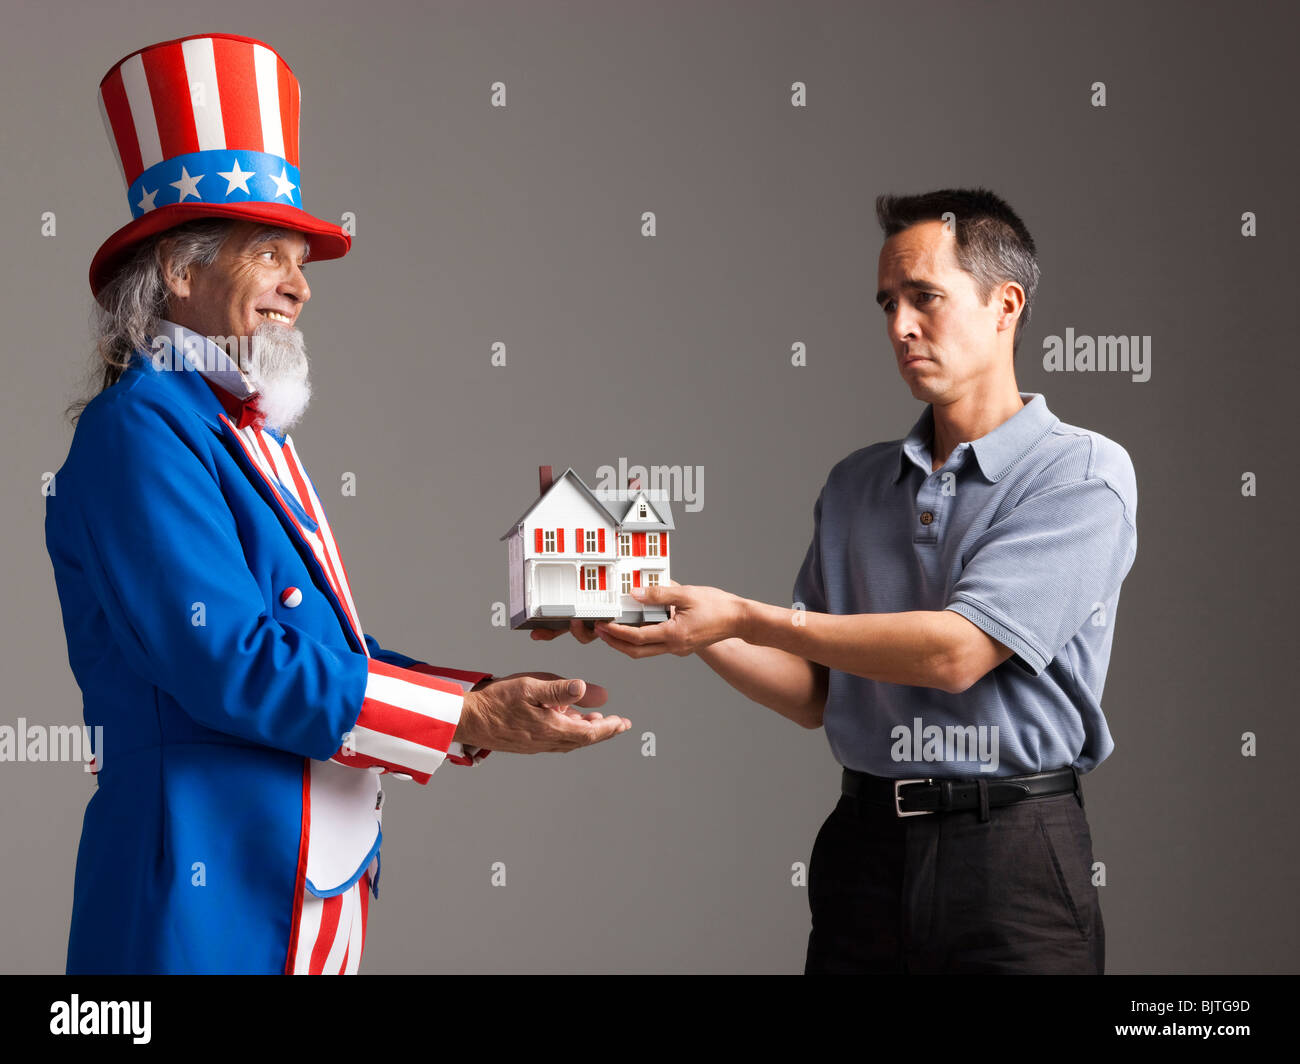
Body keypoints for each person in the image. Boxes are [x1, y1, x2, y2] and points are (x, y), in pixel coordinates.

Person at [46, 33, 629, 976]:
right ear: (180, 274)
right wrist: (463, 720)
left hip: (309, 887)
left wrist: (475, 698)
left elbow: (320, 657)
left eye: (300, 261)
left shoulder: (249, 428)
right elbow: (228, 659)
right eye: (269, 254)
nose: (301, 286)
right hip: (204, 900)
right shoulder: (137, 430)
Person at [536, 188, 1137, 974]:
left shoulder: (1082, 473)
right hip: (864, 851)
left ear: (1005, 305)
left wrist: (745, 616)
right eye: (888, 303)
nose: (899, 326)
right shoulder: (855, 484)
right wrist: (684, 622)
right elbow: (815, 693)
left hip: (1013, 857)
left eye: (925, 298)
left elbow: (957, 654)